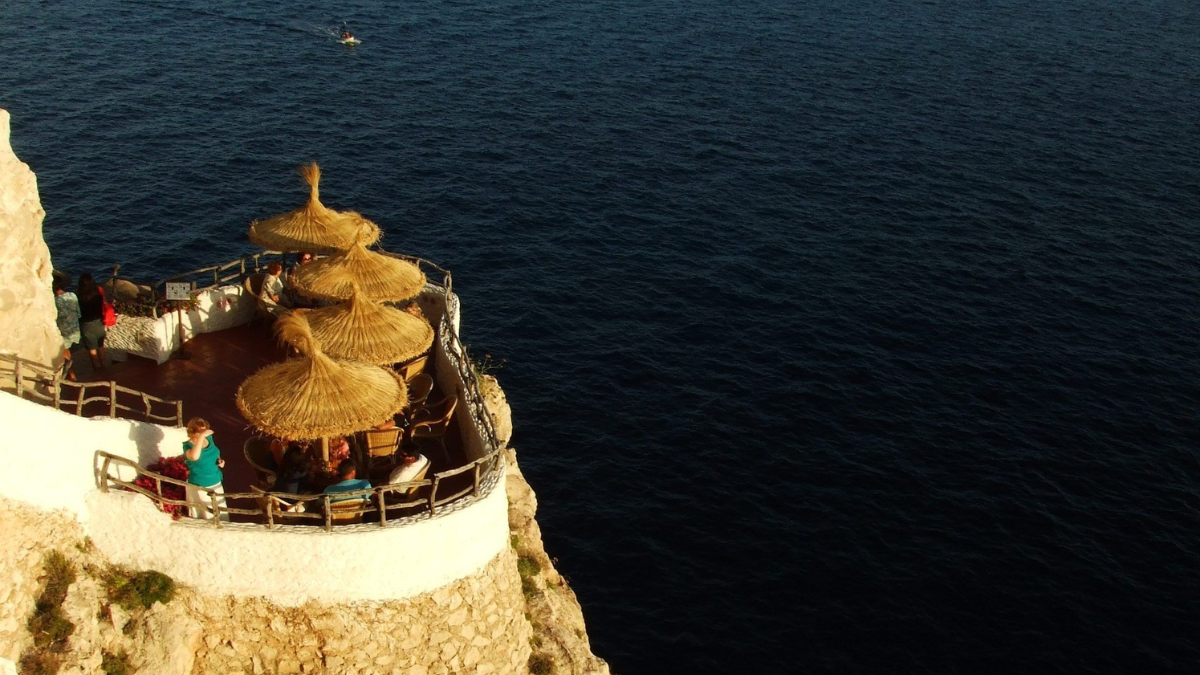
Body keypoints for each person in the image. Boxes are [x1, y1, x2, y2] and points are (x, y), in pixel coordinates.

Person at [182, 417, 228, 520]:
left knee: (220, 512)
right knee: (207, 515)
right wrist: (201, 437)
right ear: (192, 432)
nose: (204, 433)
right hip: (200, 486)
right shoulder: (188, 446)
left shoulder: (209, 439)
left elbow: (215, 453)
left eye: (204, 430)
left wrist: (220, 461)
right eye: (200, 431)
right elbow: (194, 457)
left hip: (215, 481)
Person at [53, 276, 81, 381]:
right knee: (70, 351)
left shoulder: (55, 301)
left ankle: (72, 374)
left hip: (64, 331)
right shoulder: (72, 295)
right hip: (74, 328)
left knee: (66, 354)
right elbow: (78, 313)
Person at [76, 273, 107, 370]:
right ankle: (103, 366)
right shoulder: (98, 295)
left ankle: (95, 368)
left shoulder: (78, 297)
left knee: (91, 348)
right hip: (99, 322)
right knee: (100, 345)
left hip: (86, 325)